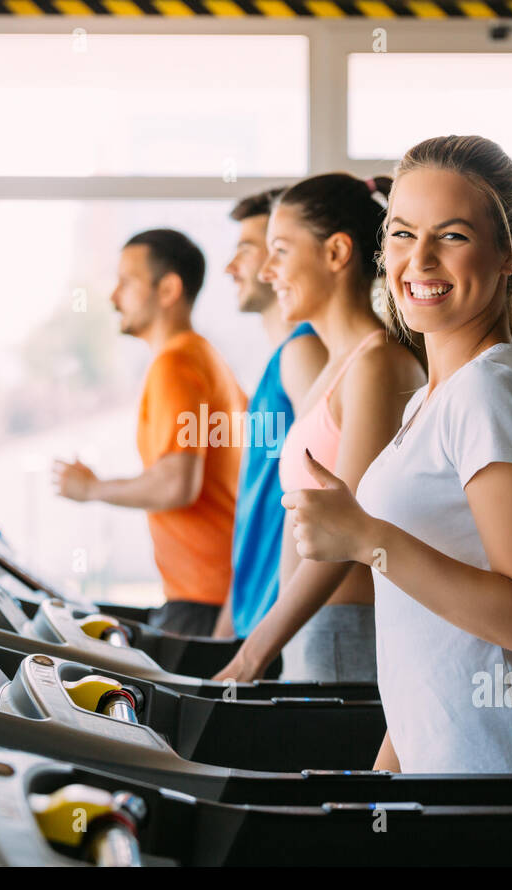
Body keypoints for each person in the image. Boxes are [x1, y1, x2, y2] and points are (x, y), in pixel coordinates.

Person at [281, 134, 512, 773]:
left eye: (451, 236)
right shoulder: (427, 403)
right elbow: (427, 645)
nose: (419, 259)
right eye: (402, 234)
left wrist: (366, 536)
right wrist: (385, 777)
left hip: (508, 779)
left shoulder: (490, 388)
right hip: (450, 772)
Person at [214, 174, 426, 682]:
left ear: (336, 253)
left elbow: (344, 531)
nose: (268, 272)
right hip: (314, 634)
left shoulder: (377, 366)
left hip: (343, 633)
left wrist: (251, 654)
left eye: (281, 251)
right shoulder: (338, 366)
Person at [52, 229, 247, 636]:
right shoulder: (205, 358)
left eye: (126, 281)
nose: (112, 297)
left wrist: (91, 489)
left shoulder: (174, 366)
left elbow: (176, 484)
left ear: (169, 289)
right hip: (217, 592)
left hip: (204, 601)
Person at [210, 189, 328, 640]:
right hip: (255, 621)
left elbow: (325, 495)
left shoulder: (305, 353)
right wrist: (231, 623)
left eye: (246, 248)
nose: (230, 267)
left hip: (283, 625)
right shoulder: (279, 363)